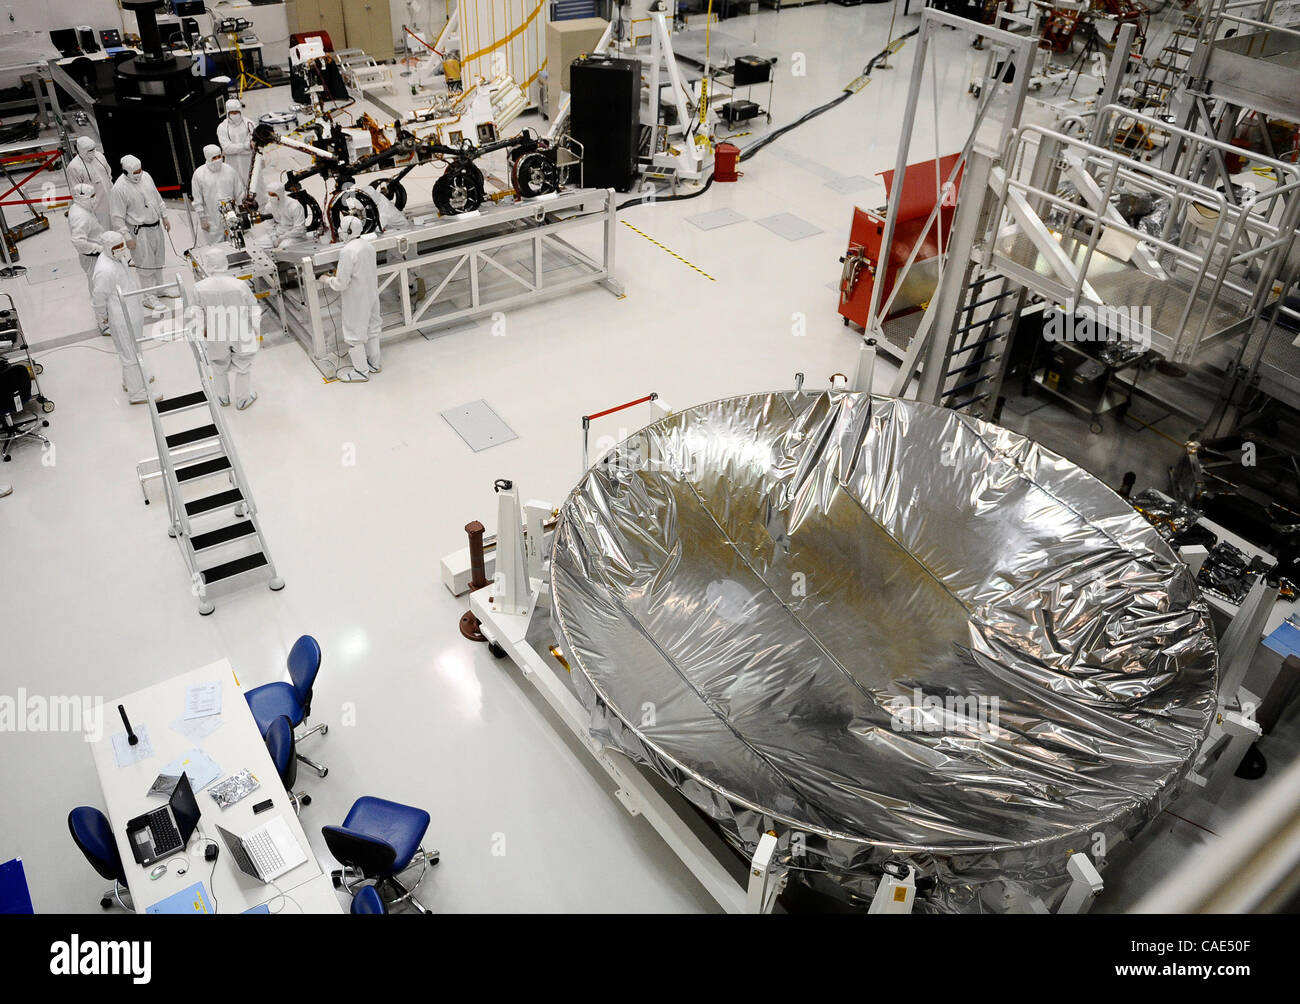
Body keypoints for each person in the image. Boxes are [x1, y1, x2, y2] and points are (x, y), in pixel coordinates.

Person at [192, 248, 260, 409]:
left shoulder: (199, 287)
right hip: (241, 330)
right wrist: (255, 329)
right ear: (225, 262)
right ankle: (243, 399)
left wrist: (202, 332)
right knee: (243, 364)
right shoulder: (239, 285)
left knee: (218, 364)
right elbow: (253, 307)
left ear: (208, 265)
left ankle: (222, 397)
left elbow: (196, 312)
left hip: (215, 332)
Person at [92, 231, 150, 404]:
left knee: (134, 349)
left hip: (131, 310)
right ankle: (136, 392)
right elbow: (98, 297)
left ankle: (131, 380)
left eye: (122, 245)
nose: (121, 249)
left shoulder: (116, 258)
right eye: (116, 247)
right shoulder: (105, 269)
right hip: (121, 316)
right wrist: (102, 316)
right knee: (129, 353)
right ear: (108, 248)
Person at [111, 155, 172, 310]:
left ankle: (160, 288)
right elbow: (117, 216)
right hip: (139, 231)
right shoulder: (119, 188)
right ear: (126, 172)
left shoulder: (146, 177)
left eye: (140, 170)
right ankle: (148, 297)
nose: (139, 174)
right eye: (135, 172)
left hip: (156, 226)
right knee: (145, 265)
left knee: (158, 260)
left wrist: (164, 216)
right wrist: (126, 237)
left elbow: (156, 198)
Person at [326, 214, 381, 382]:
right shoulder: (367, 245)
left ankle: (361, 371)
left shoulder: (348, 251)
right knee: (372, 329)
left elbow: (341, 283)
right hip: (371, 294)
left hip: (356, 299)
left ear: (348, 231)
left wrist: (327, 279)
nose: (340, 232)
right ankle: (374, 364)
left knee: (353, 334)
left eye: (342, 230)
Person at [191, 145, 246, 245]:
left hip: (232, 216)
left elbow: (239, 192)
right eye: (214, 158)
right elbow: (197, 199)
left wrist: (241, 211)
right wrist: (202, 218)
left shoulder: (229, 170)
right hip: (212, 219)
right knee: (217, 247)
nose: (217, 160)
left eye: (219, 156)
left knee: (236, 244)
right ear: (208, 158)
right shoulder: (199, 174)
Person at [68, 183, 105, 308]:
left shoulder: (81, 207)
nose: (95, 199)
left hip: (95, 254)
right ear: (82, 197)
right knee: (97, 285)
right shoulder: (80, 216)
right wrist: (98, 249)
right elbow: (78, 241)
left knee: (100, 283)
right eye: (92, 196)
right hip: (92, 257)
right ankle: (102, 320)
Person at [66, 135, 113, 228]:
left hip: (111, 201)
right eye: (89, 151)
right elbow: (76, 192)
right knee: (103, 233)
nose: (93, 152)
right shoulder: (74, 167)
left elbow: (108, 174)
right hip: (96, 209)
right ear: (81, 151)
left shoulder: (99, 156)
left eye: (93, 149)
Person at [217, 99, 256, 189]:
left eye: (236, 112)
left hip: (249, 163)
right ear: (228, 112)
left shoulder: (250, 124)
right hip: (232, 165)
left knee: (255, 189)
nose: (235, 114)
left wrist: (235, 149)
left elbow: (253, 146)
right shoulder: (222, 127)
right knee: (236, 189)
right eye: (232, 112)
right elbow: (227, 149)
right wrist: (245, 146)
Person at [262, 182, 307, 247]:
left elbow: (300, 229)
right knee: (257, 245)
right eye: (269, 194)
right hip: (277, 234)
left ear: (279, 194)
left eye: (273, 195)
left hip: (295, 236)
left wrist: (282, 237)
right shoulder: (269, 206)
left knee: (283, 247)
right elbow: (269, 224)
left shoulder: (294, 205)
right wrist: (273, 237)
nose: (271, 197)